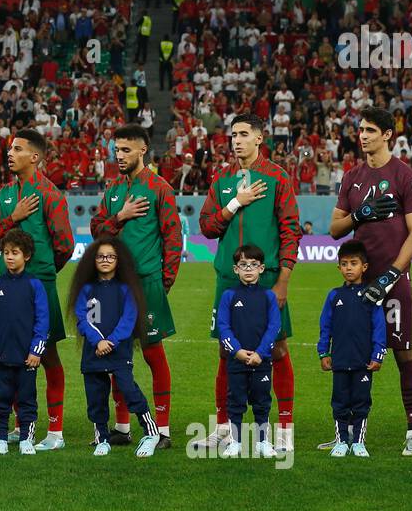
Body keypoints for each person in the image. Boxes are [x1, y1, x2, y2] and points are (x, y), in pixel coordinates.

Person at [327, 107, 412, 456]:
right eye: (361, 130)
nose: (364, 135)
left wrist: (391, 274)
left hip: (393, 281)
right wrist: (360, 214)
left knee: (404, 355)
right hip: (358, 284)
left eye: (371, 130)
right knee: (350, 356)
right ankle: (347, 432)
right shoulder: (352, 177)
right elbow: (334, 229)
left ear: (388, 134)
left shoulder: (405, 175)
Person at [199, 115, 301, 452]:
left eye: (244, 134)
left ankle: (283, 428)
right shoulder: (223, 180)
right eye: (234, 135)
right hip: (228, 280)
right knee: (224, 350)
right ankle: (226, 427)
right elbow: (208, 227)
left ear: (260, 138)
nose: (237, 140)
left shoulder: (277, 177)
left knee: (279, 347)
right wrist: (234, 204)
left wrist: (283, 280)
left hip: (268, 278)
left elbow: (290, 229)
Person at [89, 124, 183, 448]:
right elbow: (96, 230)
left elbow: (173, 238)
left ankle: (165, 430)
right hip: (115, 287)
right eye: (117, 150)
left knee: (154, 355)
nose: (120, 156)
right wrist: (121, 216)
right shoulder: (113, 190)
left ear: (143, 150)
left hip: (146, 284)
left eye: (126, 150)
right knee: (117, 355)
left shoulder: (160, 188)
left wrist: (163, 282)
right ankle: (123, 427)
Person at [0, 129, 72, 450]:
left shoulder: (50, 195)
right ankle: (23, 429)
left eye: (17, 149)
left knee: (47, 355)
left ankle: (56, 432)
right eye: (10, 148)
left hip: (38, 287)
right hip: (7, 288)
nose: (10, 153)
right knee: (13, 355)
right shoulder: (7, 195)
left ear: (34, 157)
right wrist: (14, 217)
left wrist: (43, 275)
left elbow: (64, 245)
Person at [68, 236, 161, 457]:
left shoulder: (126, 289)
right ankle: (102, 437)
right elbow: (83, 318)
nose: (105, 260)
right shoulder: (86, 289)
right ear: (93, 260)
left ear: (118, 260)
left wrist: (110, 342)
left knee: (129, 390)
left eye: (110, 256)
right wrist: (97, 341)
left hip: (118, 350)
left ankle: (151, 432)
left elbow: (128, 320)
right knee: (96, 397)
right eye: (100, 256)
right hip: (93, 351)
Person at [0, 228, 49, 456]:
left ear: (26, 256)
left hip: (27, 357)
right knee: (1, 401)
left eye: (15, 252)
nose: (9, 257)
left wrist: (36, 351)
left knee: (27, 401)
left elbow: (42, 320)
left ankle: (27, 439)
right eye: (6, 252)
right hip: (0, 357)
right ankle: (0, 438)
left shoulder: (34, 285)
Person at [317, 240, 386, 458]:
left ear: (364, 267)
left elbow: (379, 327)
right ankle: (341, 441)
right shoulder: (334, 295)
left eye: (353, 263)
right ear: (338, 267)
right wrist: (323, 352)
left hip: (363, 361)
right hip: (339, 360)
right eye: (344, 264)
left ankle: (358, 442)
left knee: (361, 403)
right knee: (339, 402)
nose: (348, 268)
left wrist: (378, 354)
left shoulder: (371, 295)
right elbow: (325, 325)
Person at [215, 244, 281, 460]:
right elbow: (223, 326)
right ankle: (236, 442)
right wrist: (237, 351)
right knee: (235, 401)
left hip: (261, 360)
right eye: (243, 265)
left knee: (262, 401)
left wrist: (261, 353)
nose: (249, 269)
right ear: (236, 269)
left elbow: (274, 327)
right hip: (237, 360)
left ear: (261, 268)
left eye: (253, 265)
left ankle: (263, 441)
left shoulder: (268, 296)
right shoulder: (229, 295)